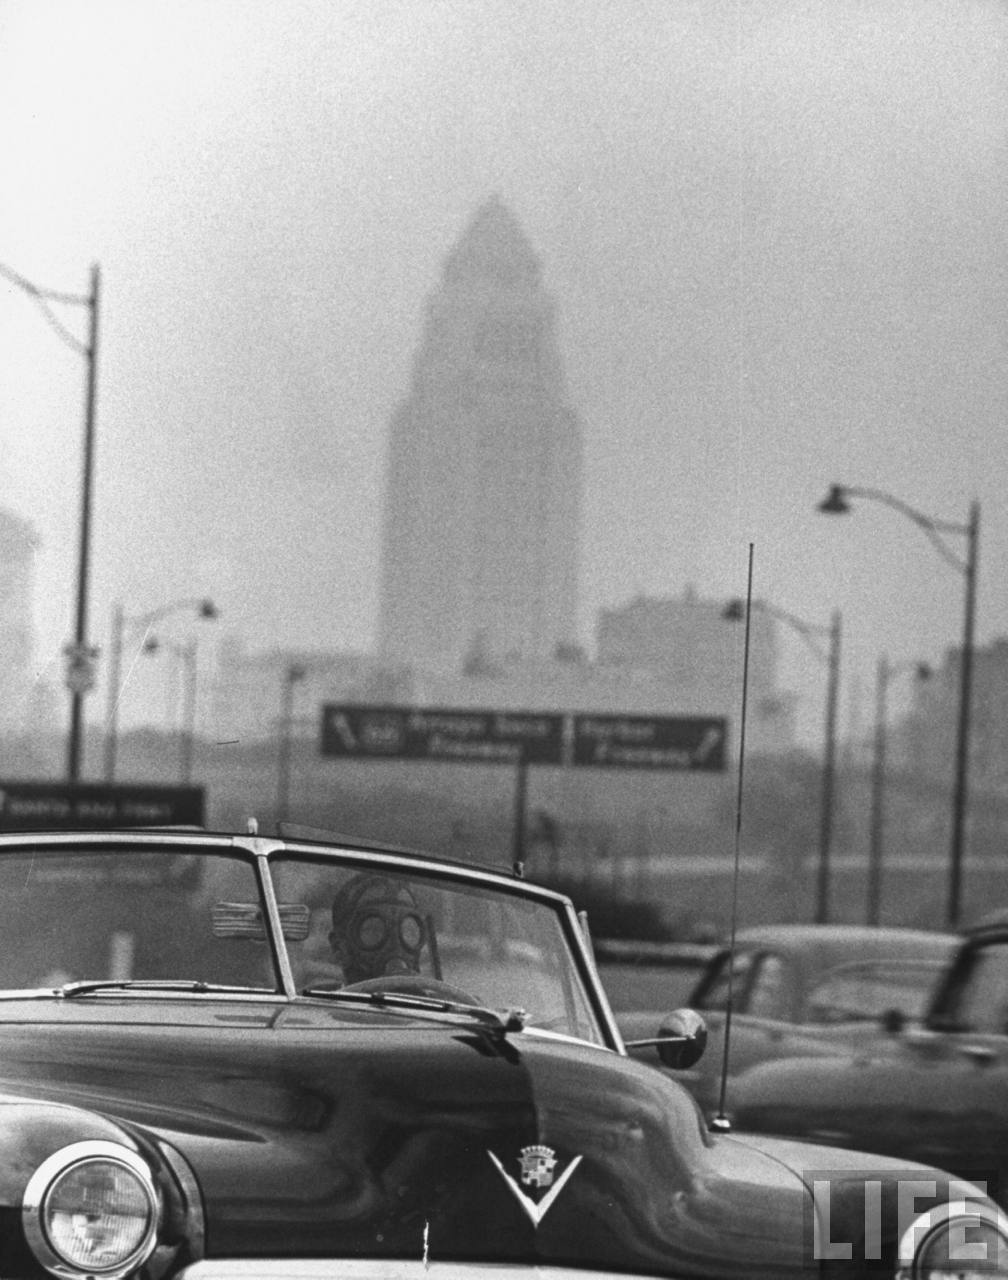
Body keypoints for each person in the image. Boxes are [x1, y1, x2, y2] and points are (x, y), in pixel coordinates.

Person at [328, 873, 428, 986]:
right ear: (339, 948)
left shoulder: (440, 1001)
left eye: (409, 931)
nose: (395, 946)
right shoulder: (316, 1003)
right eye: (373, 930)